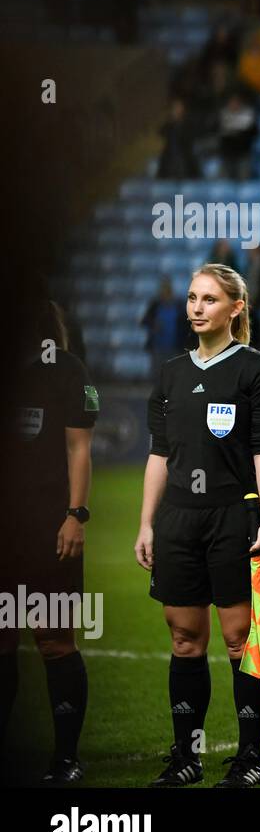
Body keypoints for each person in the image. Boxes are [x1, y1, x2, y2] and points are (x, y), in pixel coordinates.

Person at [134, 265, 260, 787]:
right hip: (178, 519)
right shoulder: (171, 373)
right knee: (183, 640)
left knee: (242, 640)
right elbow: (158, 454)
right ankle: (187, 756)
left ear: (235, 308)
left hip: (233, 518)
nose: (196, 307)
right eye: (193, 298)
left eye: (210, 299)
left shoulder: (255, 369)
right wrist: (147, 524)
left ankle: (250, 758)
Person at [1, 299, 98, 783]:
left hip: (48, 529)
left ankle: (66, 759)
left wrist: (75, 515)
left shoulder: (65, 369)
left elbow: (79, 447)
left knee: (55, 642)